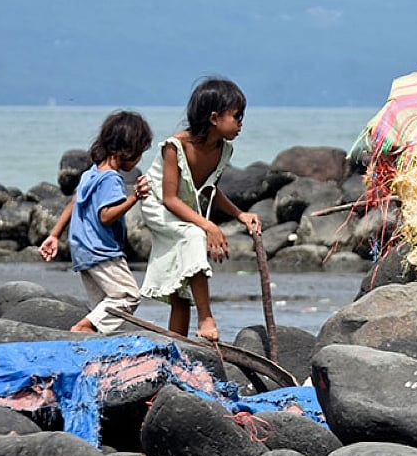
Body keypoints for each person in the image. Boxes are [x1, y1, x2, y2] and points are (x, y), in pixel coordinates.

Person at [139, 77, 261, 342]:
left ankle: (177, 344)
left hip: (186, 206)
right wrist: (208, 226)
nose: (241, 123)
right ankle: (207, 317)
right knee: (194, 237)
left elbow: (209, 190)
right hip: (158, 205)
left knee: (180, 282)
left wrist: (240, 215)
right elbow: (170, 198)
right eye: (237, 116)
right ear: (214, 118)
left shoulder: (223, 150)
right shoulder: (176, 146)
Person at [40, 111, 153, 333]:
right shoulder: (111, 179)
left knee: (103, 305)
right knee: (128, 296)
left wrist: (54, 235)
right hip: (102, 251)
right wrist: (135, 197)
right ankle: (83, 329)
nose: (140, 159)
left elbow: (74, 202)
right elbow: (106, 216)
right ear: (126, 150)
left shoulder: (90, 173)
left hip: (82, 250)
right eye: (139, 153)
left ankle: (92, 338)